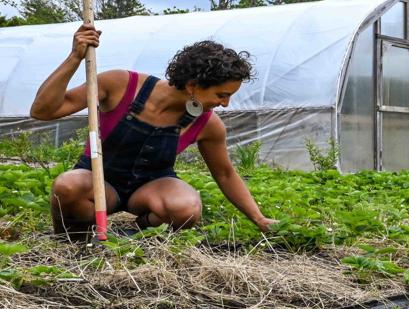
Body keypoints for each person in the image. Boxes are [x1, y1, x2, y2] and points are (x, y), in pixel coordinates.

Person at [32, 23, 274, 239]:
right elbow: (43, 111)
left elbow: (225, 174)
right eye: (221, 95)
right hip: (98, 180)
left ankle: (134, 237)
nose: (225, 104)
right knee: (68, 186)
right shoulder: (120, 85)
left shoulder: (207, 124)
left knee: (186, 208)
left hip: (150, 187)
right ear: (192, 86)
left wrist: (258, 218)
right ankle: (75, 240)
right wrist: (75, 57)